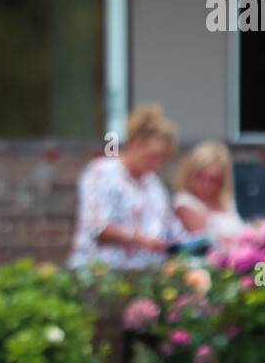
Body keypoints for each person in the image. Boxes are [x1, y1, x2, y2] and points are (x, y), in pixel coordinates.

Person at [68, 104, 186, 270]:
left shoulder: (153, 184)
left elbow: (168, 225)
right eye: (152, 157)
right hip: (101, 273)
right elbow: (96, 227)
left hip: (145, 274)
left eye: (161, 159)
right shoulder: (102, 172)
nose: (156, 164)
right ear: (135, 144)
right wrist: (141, 240)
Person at [172, 141, 245, 250]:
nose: (205, 184)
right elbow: (211, 242)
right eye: (200, 176)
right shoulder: (184, 202)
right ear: (190, 173)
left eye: (213, 180)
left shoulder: (226, 201)